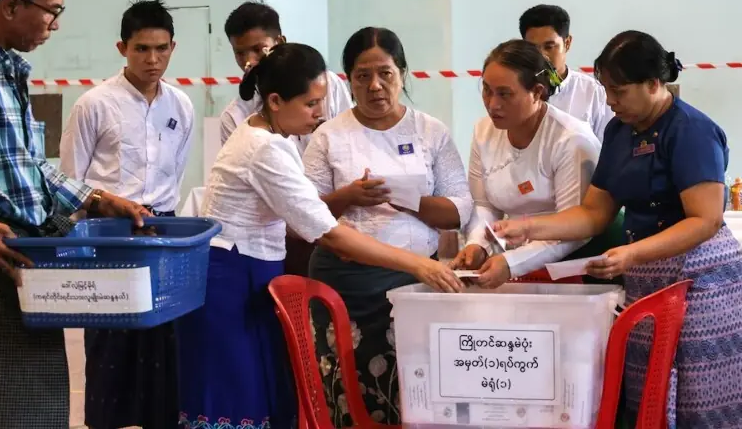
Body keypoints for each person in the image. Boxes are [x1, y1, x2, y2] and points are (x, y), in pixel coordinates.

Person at [176, 42, 464, 429]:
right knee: (238, 398)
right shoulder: (266, 148)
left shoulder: (274, 137)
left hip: (252, 273)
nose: (320, 112)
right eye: (311, 104)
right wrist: (418, 265)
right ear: (275, 101)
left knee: (262, 394)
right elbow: (328, 233)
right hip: (234, 277)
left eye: (322, 102)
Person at [0, 0, 151, 428]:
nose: (55, 25)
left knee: (39, 408)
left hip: (26, 252)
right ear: (12, 4)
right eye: (52, 11)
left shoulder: (5, 66)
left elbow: (28, 167)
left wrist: (96, 199)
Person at [493, 30, 742, 427]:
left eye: (619, 91)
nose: (610, 100)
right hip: (644, 277)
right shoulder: (619, 131)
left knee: (696, 399)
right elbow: (594, 213)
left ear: (654, 84)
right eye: (606, 89)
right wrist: (529, 227)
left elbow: (705, 219)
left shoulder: (691, 130)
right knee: (647, 393)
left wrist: (631, 253)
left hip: (699, 283)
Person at [301, 27, 472, 426]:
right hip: (347, 283)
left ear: (403, 74)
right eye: (363, 76)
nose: (375, 86)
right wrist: (348, 196)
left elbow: (459, 210)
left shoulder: (430, 131)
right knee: (347, 396)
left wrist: (410, 200)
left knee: (416, 393)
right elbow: (305, 215)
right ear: (348, 80)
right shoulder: (329, 136)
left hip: (417, 280)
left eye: (385, 73)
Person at [59, 0, 194, 429]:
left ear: (173, 47)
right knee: (110, 344)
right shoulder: (94, 104)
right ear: (122, 48)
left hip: (161, 232)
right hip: (109, 237)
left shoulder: (181, 106)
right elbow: (68, 182)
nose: (152, 59)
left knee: (162, 341)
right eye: (141, 49)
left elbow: (176, 174)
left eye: (161, 48)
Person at [449, 39, 603, 288]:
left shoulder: (571, 140)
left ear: (537, 92)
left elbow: (574, 230)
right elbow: (483, 204)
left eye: (505, 94)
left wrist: (513, 263)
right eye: (487, 90)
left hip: (571, 269)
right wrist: (477, 244)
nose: (492, 104)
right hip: (512, 262)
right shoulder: (483, 131)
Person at [219, 0, 353, 154]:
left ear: (280, 42)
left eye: (258, 49)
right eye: (240, 53)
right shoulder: (233, 117)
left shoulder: (328, 84)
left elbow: (349, 139)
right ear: (274, 102)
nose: (249, 61)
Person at [520, 4, 613, 141]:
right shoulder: (517, 89)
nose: (542, 56)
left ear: (567, 43)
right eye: (533, 49)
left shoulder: (593, 92)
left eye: (549, 47)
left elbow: (607, 144)